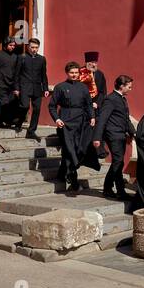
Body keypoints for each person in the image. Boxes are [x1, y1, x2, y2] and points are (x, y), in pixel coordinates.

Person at [49, 62, 100, 192]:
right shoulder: (60, 87)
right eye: (72, 73)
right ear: (67, 73)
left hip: (81, 121)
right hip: (65, 122)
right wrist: (57, 119)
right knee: (69, 149)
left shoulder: (83, 87)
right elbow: (52, 106)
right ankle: (73, 179)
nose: (74, 75)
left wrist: (92, 117)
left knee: (77, 149)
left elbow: (89, 104)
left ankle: (62, 174)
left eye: (76, 73)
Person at [93, 75, 136, 200]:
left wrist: (133, 133)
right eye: (129, 87)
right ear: (122, 86)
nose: (130, 89)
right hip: (113, 135)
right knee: (118, 161)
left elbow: (126, 119)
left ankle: (107, 188)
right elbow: (102, 119)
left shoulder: (122, 99)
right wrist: (97, 138)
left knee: (119, 162)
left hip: (121, 135)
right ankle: (120, 191)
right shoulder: (110, 99)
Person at [16, 38, 50, 139]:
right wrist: (16, 88)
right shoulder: (22, 57)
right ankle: (19, 122)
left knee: (37, 109)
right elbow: (17, 74)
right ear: (28, 47)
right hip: (24, 87)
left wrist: (46, 88)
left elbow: (44, 74)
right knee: (24, 106)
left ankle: (31, 131)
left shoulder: (42, 59)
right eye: (32, 47)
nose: (34, 49)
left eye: (36, 47)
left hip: (37, 88)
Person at [0, 37, 21, 128]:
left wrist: (16, 87)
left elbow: (17, 72)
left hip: (11, 84)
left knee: (9, 103)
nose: (12, 47)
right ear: (5, 45)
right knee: (3, 102)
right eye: (10, 45)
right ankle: (8, 120)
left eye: (14, 45)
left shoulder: (15, 56)